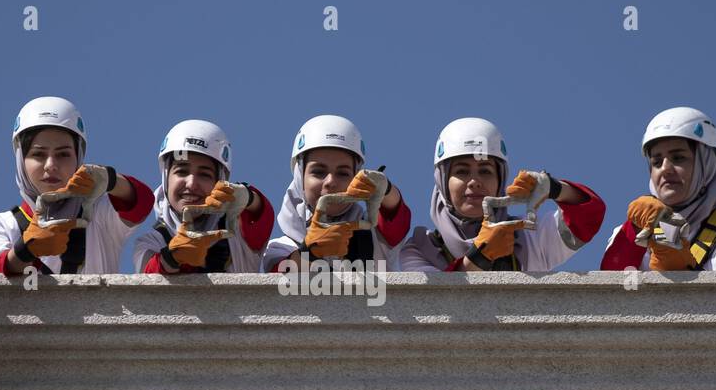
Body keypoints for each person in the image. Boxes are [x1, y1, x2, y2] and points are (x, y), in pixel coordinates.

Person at [0, 96, 154, 275]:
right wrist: (27, 250)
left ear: (79, 156)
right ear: (20, 160)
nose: (51, 165)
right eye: (38, 154)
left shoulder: (99, 212)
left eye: (63, 154)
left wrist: (110, 179)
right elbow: (0, 271)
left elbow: (141, 203)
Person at [399, 118, 605, 271]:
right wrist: (482, 255)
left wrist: (554, 188)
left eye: (486, 171)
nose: (474, 181)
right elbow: (436, 306)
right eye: (461, 171)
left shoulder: (527, 236)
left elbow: (589, 216)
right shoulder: (421, 248)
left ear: (500, 180)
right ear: (442, 181)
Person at [600, 107, 716, 271]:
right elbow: (610, 294)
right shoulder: (628, 234)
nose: (665, 168)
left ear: (706, 165)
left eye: (678, 158)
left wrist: (667, 235)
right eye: (656, 162)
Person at [260, 114, 411, 271]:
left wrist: (385, 188)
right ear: (300, 178)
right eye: (318, 172)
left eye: (343, 173)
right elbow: (281, 278)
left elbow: (396, 217)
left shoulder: (376, 239)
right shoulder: (280, 248)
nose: (330, 181)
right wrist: (310, 253)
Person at [133, 120, 274, 273]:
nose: (192, 184)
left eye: (204, 175)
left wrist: (248, 197)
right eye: (182, 171)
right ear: (166, 177)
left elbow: (262, 215)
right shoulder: (151, 242)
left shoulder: (236, 230)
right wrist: (173, 257)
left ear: (219, 180)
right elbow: (148, 278)